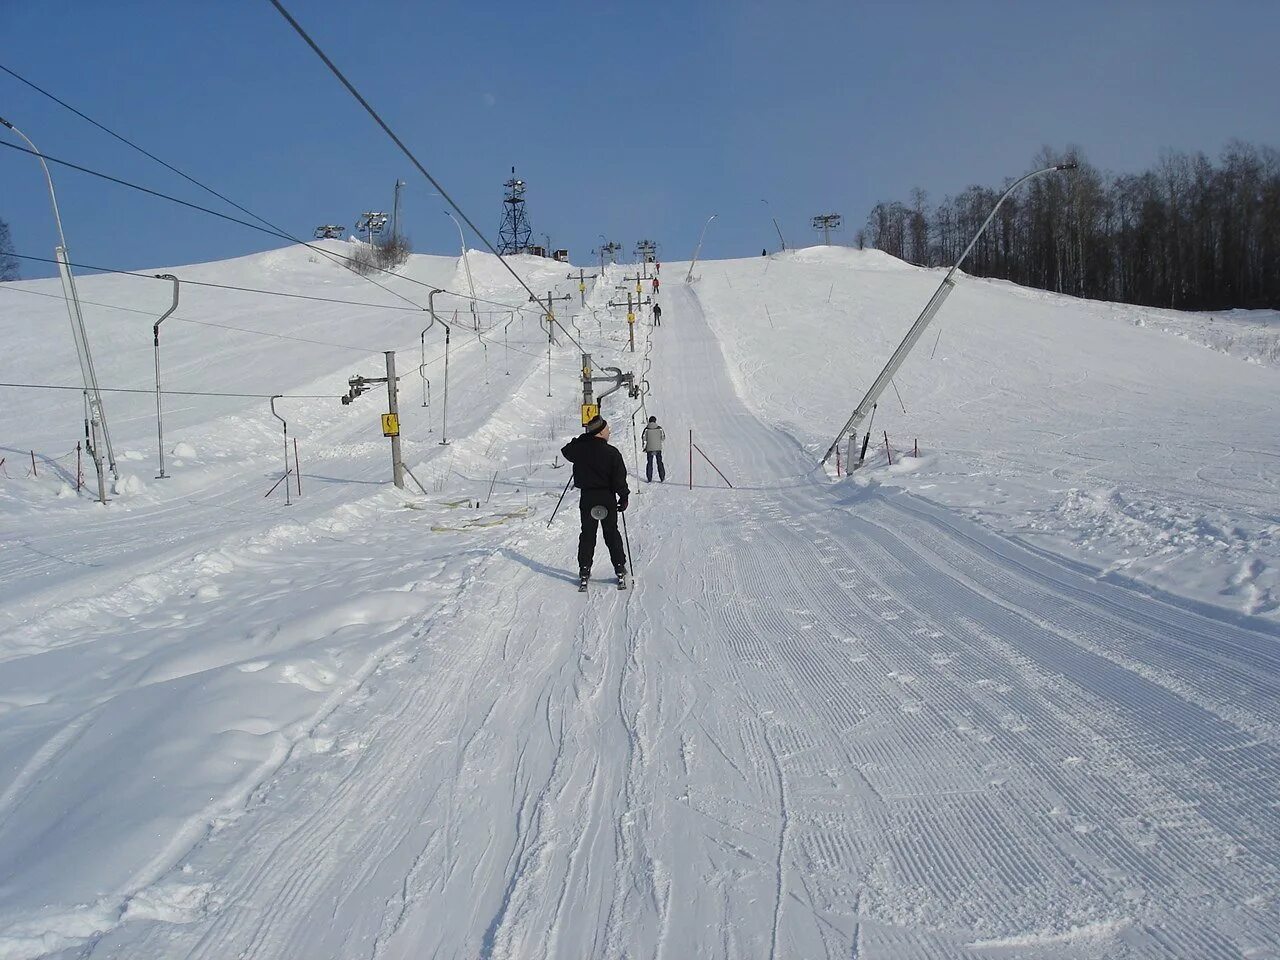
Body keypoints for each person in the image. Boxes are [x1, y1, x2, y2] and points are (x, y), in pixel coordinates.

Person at [561, 415, 629, 587]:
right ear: (600, 432)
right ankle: (619, 567)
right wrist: (624, 496)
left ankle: (584, 569)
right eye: (606, 429)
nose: (609, 431)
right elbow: (619, 478)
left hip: (588, 497)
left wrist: (585, 438)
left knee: (587, 534)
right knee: (611, 533)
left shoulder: (581, 450)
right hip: (607, 497)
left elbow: (567, 450)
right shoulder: (612, 452)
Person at [643, 415, 666, 483]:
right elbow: (663, 438)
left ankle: (649, 478)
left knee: (649, 463)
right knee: (659, 462)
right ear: (655, 421)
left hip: (649, 448)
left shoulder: (646, 429)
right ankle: (662, 477)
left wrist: (644, 447)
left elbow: (644, 438)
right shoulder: (660, 428)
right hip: (658, 448)